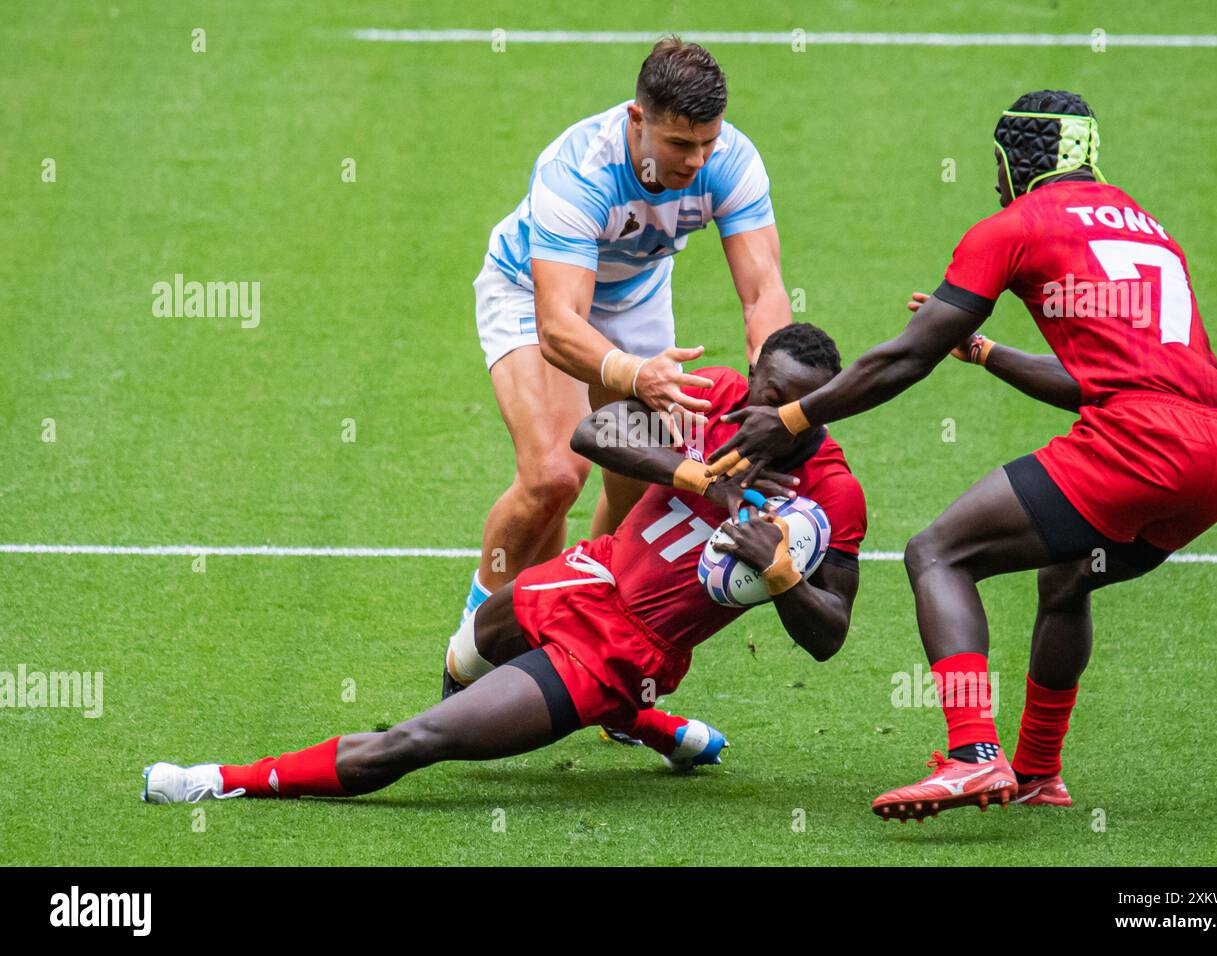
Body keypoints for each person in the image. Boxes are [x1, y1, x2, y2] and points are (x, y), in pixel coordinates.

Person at [708, 91, 1217, 821]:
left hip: (1142, 443)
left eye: (997, 169)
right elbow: (1101, 382)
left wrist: (796, 415)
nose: (994, 184)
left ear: (1015, 162)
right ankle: (1036, 772)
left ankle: (971, 754)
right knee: (1066, 575)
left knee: (938, 553)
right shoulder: (1148, 228)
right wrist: (989, 352)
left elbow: (905, 358)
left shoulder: (1014, 224)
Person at [142, 325, 866, 805]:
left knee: (420, 738)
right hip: (587, 574)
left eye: (792, 409)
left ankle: (215, 781)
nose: (766, 418)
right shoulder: (718, 397)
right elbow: (593, 431)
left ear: (822, 408)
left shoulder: (834, 495)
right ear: (750, 377)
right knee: (460, 664)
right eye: (765, 397)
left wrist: (782, 576)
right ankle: (643, 724)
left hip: (617, 652)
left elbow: (828, 635)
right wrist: (696, 475)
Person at [460, 36, 791, 634]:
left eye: (708, 141)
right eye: (680, 144)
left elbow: (763, 295)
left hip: (635, 297)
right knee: (555, 476)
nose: (696, 160)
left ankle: (583, 634)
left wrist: (779, 410)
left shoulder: (732, 162)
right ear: (638, 120)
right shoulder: (578, 172)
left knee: (640, 480)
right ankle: (472, 641)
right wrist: (638, 374)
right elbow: (561, 327)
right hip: (531, 295)